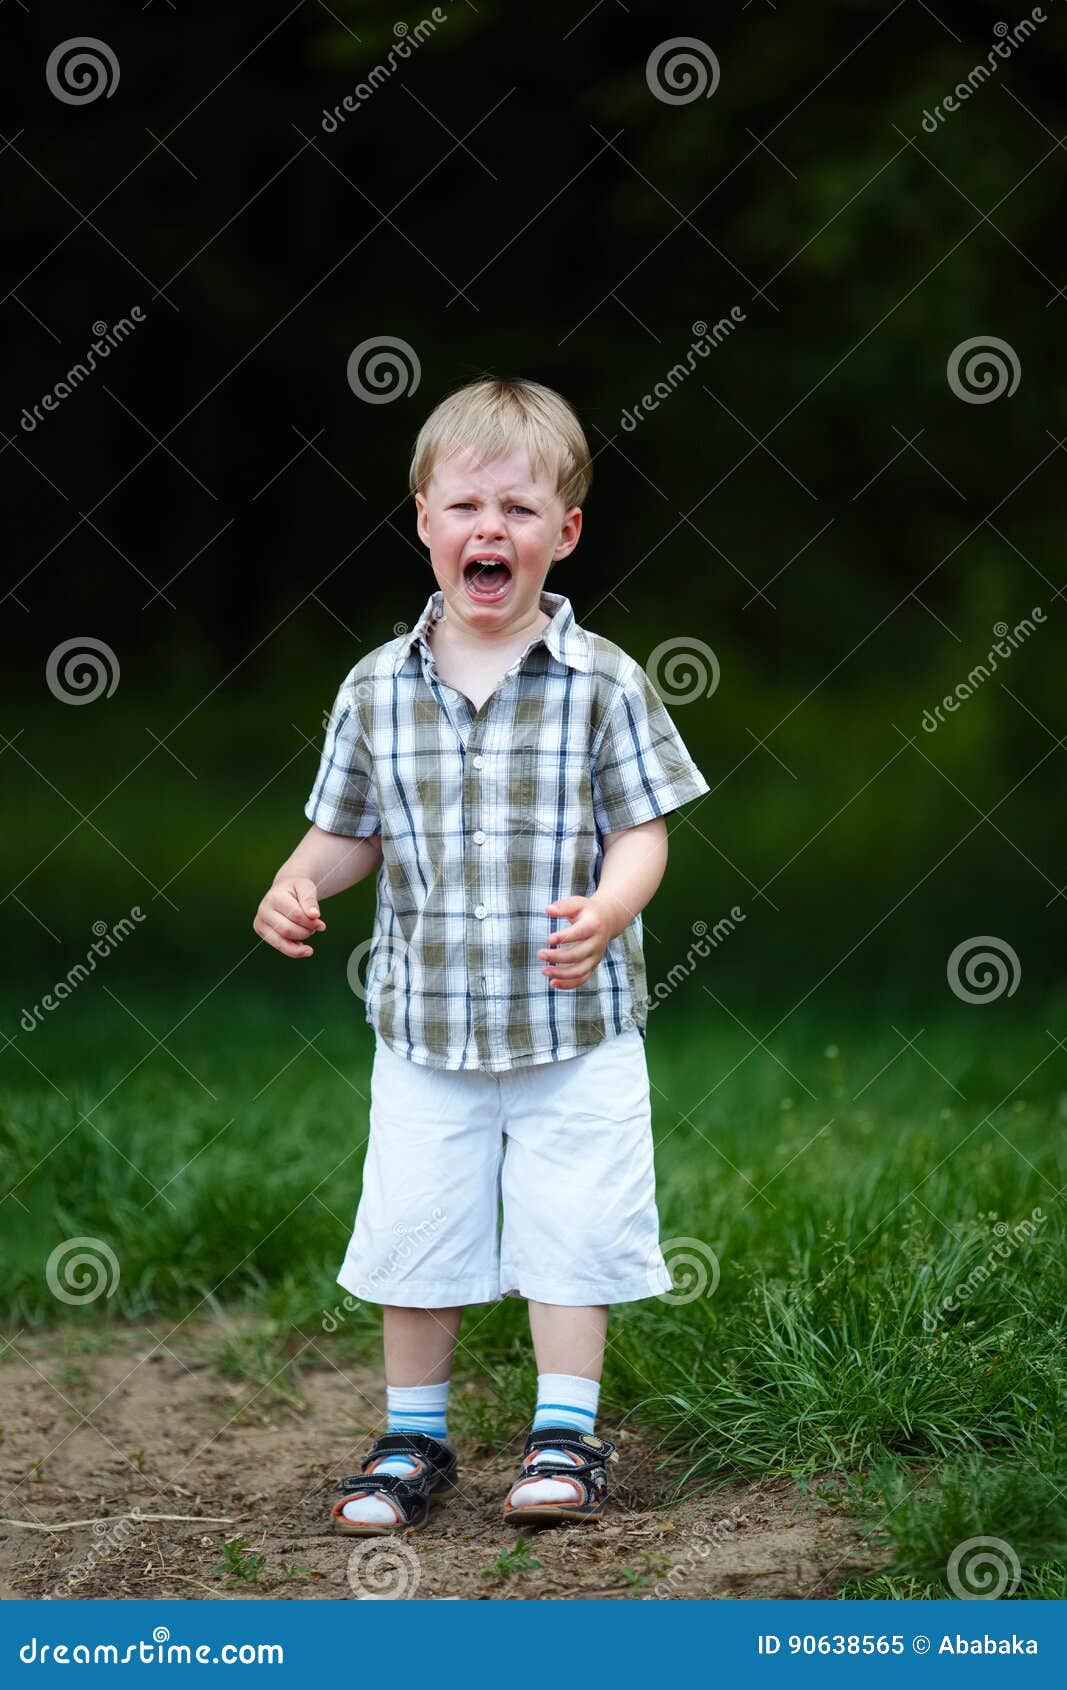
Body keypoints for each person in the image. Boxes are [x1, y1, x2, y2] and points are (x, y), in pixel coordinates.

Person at [253, 376, 710, 1534]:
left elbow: (642, 830)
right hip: (425, 1030)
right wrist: (297, 878)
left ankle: (564, 1433)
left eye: (516, 509)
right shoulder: (374, 687)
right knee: (417, 1228)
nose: (487, 530)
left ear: (562, 532)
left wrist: (608, 908)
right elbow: (350, 829)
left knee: (574, 1224)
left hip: (573, 1026)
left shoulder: (604, 681)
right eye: (464, 507)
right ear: (422, 520)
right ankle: (412, 1435)